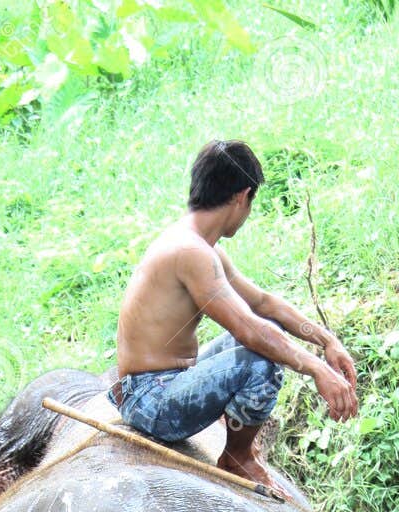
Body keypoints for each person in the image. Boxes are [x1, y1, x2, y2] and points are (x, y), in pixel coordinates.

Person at [110, 139, 358, 490]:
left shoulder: (200, 247)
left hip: (168, 378)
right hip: (151, 400)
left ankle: (240, 444)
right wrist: (316, 368)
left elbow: (263, 305)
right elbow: (248, 330)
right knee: (260, 359)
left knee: (268, 331)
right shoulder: (190, 252)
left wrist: (326, 341)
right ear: (243, 196)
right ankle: (237, 456)